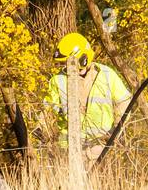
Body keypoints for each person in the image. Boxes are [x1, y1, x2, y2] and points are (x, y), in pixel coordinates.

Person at [43, 32, 131, 161]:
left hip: (101, 149)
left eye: (66, 62)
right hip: (68, 151)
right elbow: (46, 113)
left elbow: (124, 103)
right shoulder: (57, 80)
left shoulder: (106, 74)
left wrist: (114, 133)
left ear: (82, 59)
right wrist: (46, 140)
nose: (64, 67)